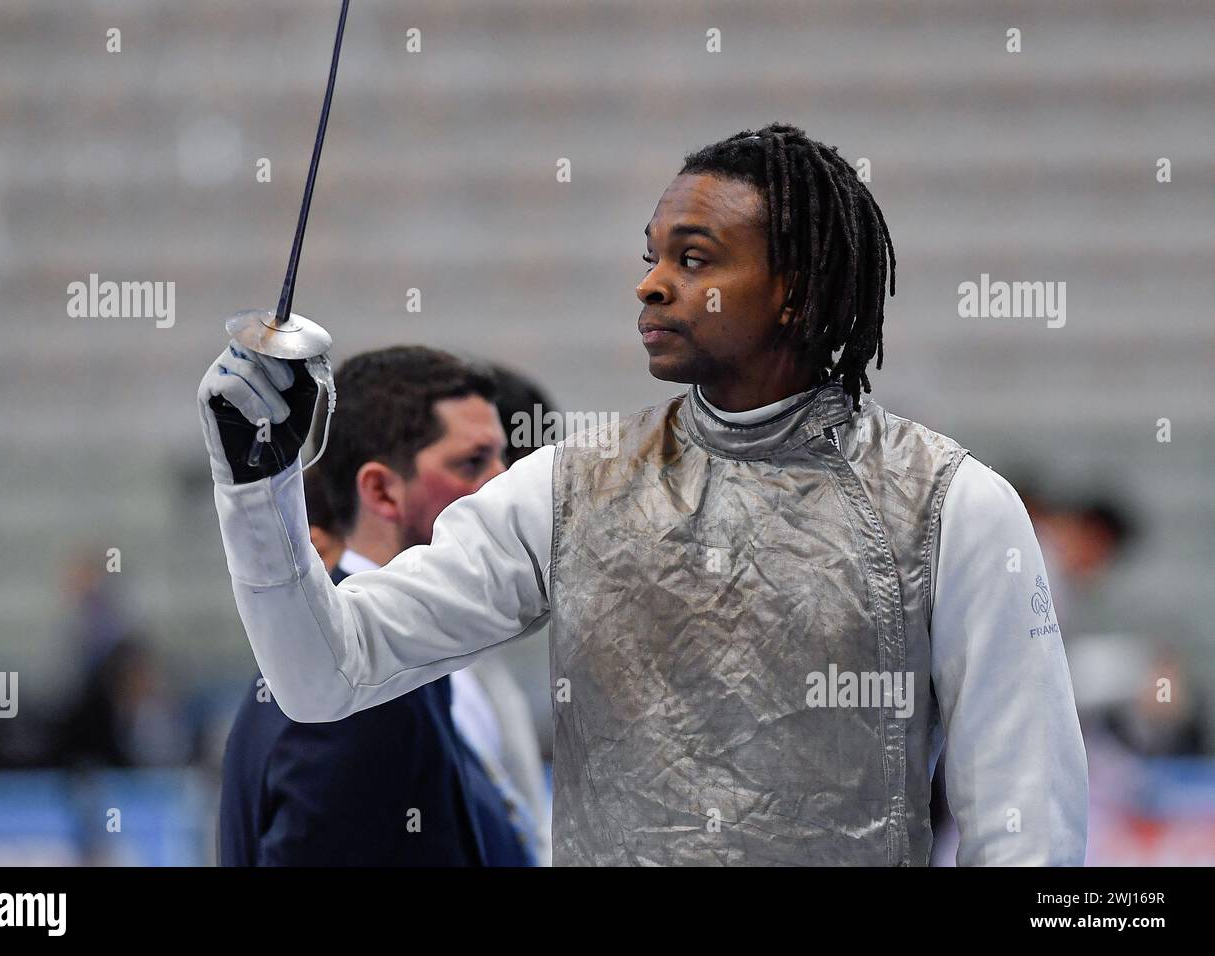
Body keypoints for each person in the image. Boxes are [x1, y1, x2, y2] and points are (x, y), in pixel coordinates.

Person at [199, 123, 1088, 866]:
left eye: (694, 258)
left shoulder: (950, 506)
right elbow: (325, 673)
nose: (651, 282)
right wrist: (258, 487)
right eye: (653, 255)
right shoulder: (572, 486)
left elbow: (1027, 826)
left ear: (797, 290)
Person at [218, 347, 536, 866]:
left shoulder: (402, 658)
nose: (503, 487)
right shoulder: (359, 686)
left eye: (504, 459)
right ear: (382, 491)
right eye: (472, 462)